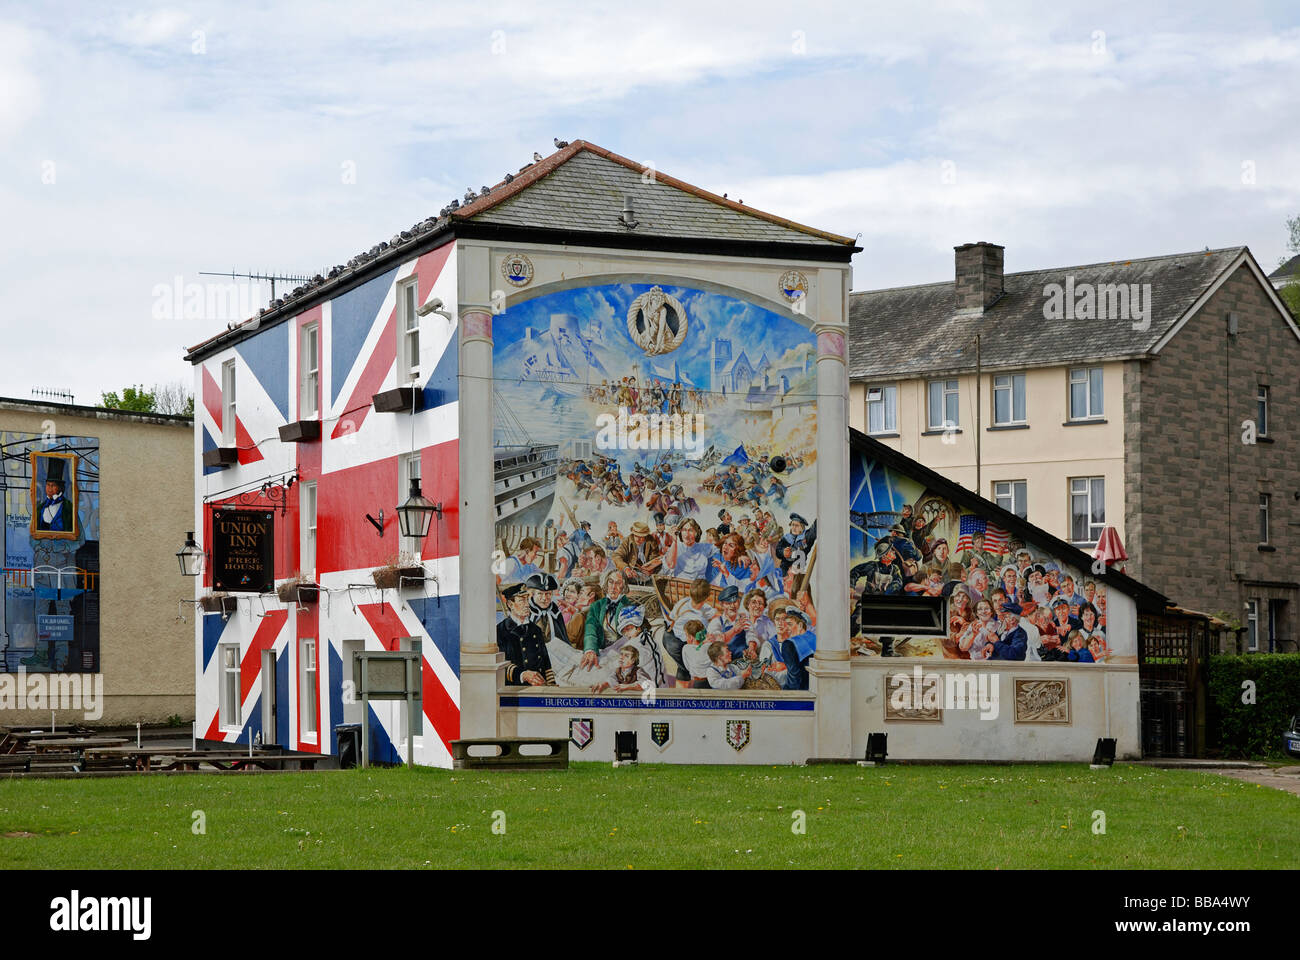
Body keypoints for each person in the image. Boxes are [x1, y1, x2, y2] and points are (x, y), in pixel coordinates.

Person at [497, 583, 555, 685]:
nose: (527, 605)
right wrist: (523, 675)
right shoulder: (500, 630)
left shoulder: (536, 630)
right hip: (515, 688)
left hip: (540, 686)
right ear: (510, 605)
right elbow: (499, 664)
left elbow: (546, 663)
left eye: (527, 600)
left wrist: (551, 684)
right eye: (522, 600)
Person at [581, 569, 636, 668]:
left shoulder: (629, 607)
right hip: (601, 650)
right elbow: (590, 629)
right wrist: (590, 649)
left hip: (620, 652)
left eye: (618, 583)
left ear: (623, 586)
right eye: (611, 582)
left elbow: (632, 637)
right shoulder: (596, 606)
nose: (613, 587)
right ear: (606, 583)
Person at [591, 615, 655, 692]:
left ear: (638, 628)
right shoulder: (620, 670)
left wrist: (628, 687)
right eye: (624, 630)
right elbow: (612, 678)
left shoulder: (640, 645)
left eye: (628, 629)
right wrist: (604, 684)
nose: (625, 633)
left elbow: (646, 683)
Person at [775, 605, 816, 690]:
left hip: (801, 693)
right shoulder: (814, 638)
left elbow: (793, 680)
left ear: (800, 625)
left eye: (789, 624)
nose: (787, 629)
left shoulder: (789, 645)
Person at [613, 520, 662, 585]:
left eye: (641, 537)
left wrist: (651, 570)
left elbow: (655, 558)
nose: (638, 539)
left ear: (645, 536)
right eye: (636, 536)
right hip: (631, 572)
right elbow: (616, 556)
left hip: (648, 575)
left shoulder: (651, 541)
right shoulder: (627, 541)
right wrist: (626, 568)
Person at [709, 585, 746, 659]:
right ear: (721, 604)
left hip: (742, 661)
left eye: (735, 602)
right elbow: (716, 643)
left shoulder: (744, 619)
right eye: (728, 603)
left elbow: (752, 635)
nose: (732, 606)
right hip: (724, 662)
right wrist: (734, 631)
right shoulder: (716, 622)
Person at [36, 459, 72, 532]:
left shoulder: (69, 507)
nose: (50, 488)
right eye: (48, 485)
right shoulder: (40, 508)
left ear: (60, 487)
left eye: (53, 485)